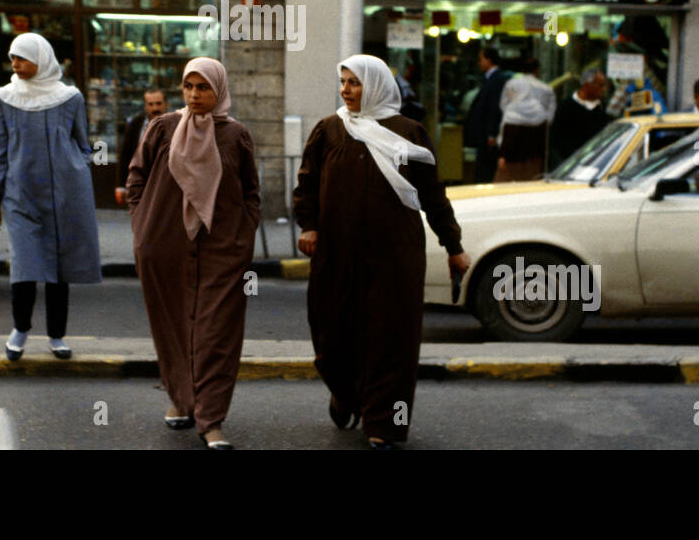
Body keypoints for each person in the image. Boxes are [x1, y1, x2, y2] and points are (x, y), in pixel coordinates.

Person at [293, 54, 467, 449]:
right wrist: (309, 225)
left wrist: (453, 245)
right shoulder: (330, 130)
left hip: (396, 255)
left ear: (375, 85)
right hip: (337, 252)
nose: (346, 90)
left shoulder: (410, 132)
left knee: (392, 338)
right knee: (332, 331)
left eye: (354, 82)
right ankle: (347, 390)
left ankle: (384, 424)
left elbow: (433, 195)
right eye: (343, 82)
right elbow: (306, 183)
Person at [127, 58, 260, 450]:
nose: (195, 95)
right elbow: (137, 176)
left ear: (218, 89)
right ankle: (181, 400)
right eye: (189, 87)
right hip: (164, 245)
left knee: (216, 332)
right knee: (172, 327)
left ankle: (211, 418)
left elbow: (251, 191)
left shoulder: (235, 134)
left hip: (222, 249)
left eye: (203, 88)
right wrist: (142, 225)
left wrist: (243, 236)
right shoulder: (162, 127)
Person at [0, 32, 101, 362]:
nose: (15, 64)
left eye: (21, 58)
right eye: (13, 58)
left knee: (59, 269)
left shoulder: (70, 98)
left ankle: (57, 335)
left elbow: (81, 141)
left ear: (41, 58)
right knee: (25, 266)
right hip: (21, 198)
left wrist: (76, 168)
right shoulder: (3, 98)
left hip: (65, 196)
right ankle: (20, 329)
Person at [495, 57, 556, 182]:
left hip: (511, 139)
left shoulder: (511, 84)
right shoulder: (546, 89)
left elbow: (503, 105)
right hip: (535, 142)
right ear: (538, 70)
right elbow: (550, 116)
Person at [115, 86, 168, 203]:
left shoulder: (175, 124)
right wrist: (121, 186)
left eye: (159, 103)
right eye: (151, 104)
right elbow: (125, 155)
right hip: (140, 184)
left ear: (166, 104)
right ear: (145, 106)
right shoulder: (135, 125)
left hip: (165, 185)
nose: (155, 108)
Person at [465, 47, 509, 183]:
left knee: (486, 172)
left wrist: (491, 133)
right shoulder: (491, 79)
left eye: (481, 59)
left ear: (489, 60)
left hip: (488, 135)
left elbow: (494, 108)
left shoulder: (496, 80)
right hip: (484, 134)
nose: (479, 63)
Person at [549, 68, 609, 169]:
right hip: (570, 164)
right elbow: (557, 140)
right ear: (586, 85)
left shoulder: (602, 108)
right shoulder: (566, 107)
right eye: (600, 85)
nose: (604, 90)